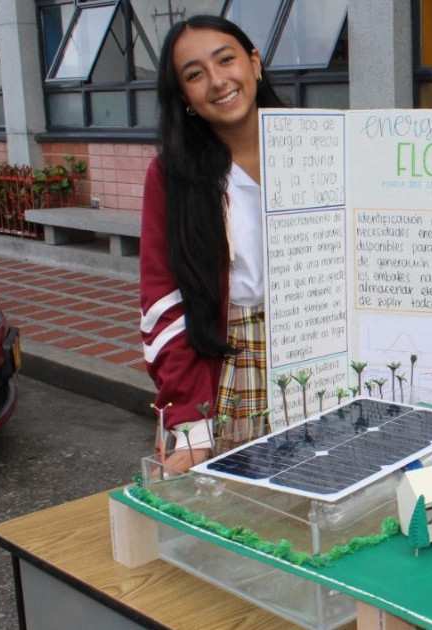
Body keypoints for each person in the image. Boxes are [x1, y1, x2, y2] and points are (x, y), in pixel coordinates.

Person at [140, 15, 286, 472]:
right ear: (184, 97)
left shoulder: (319, 145)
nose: (217, 81)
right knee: (228, 515)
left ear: (255, 63)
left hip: (317, 353)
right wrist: (190, 424)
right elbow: (162, 299)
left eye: (226, 60)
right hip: (225, 365)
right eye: (195, 74)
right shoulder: (172, 176)